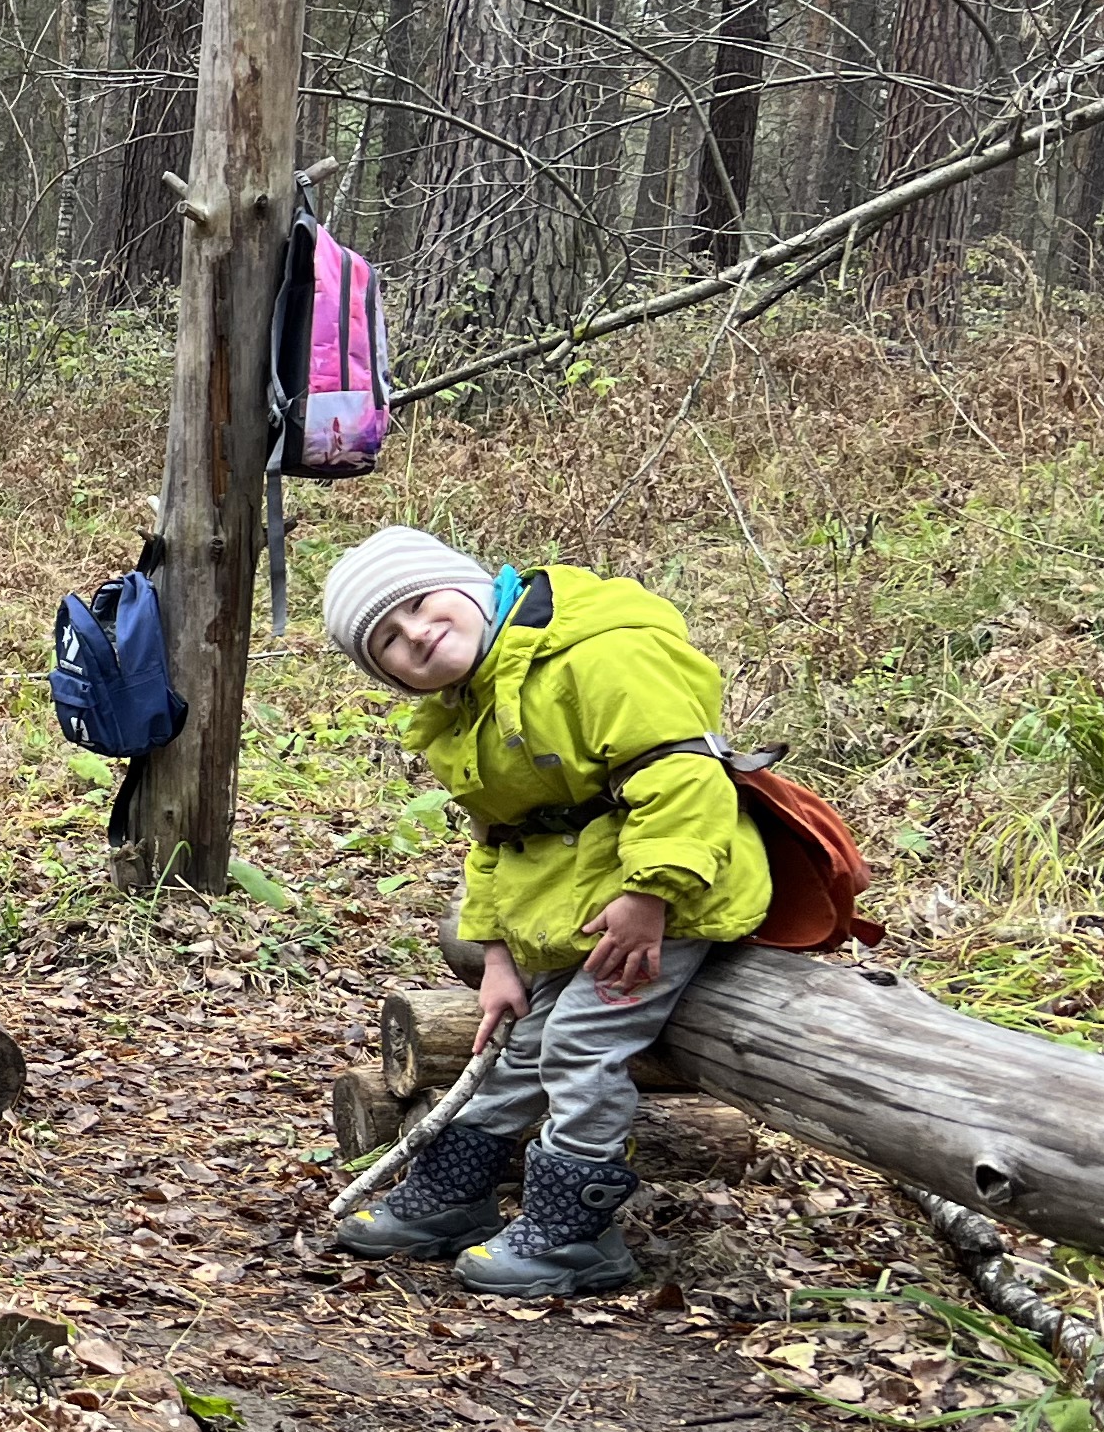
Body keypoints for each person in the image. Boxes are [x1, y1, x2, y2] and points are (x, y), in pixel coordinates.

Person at [321, 524, 773, 1296]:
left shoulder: (596, 651)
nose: (417, 636)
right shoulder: (466, 708)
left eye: (422, 606)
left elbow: (683, 776)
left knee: (580, 1042)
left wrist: (650, 897)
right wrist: (496, 956)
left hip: (671, 897)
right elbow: (499, 840)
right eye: (389, 642)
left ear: (471, 585)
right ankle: (452, 1198)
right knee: (518, 1044)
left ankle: (575, 1234)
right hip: (579, 908)